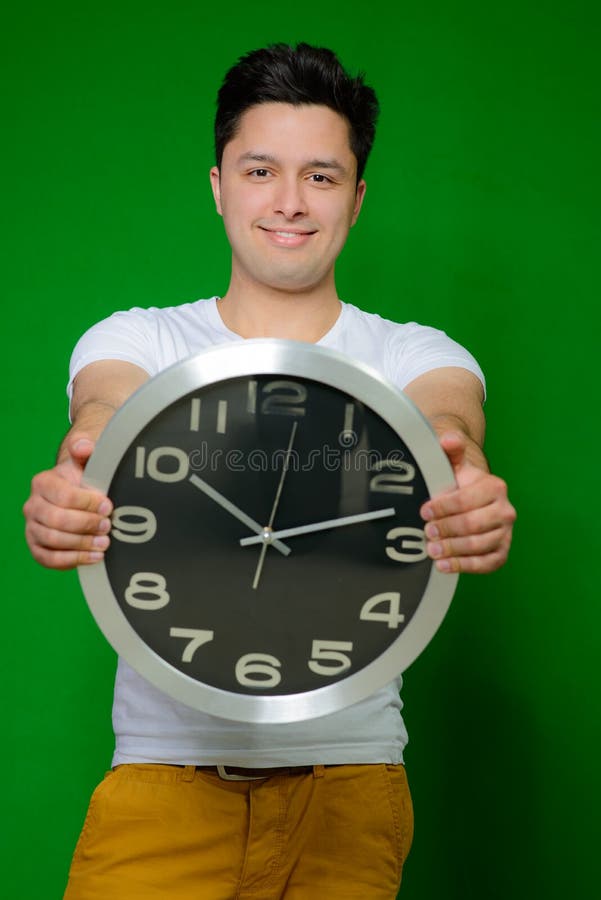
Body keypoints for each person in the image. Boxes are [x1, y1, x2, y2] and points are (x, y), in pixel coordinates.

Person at [23, 42, 515, 900]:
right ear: (218, 184)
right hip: (165, 781)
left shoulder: (412, 354)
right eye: (260, 170)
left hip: (351, 787)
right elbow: (106, 406)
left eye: (321, 177)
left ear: (356, 200)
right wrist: (83, 463)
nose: (289, 202)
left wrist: (462, 473)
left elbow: (448, 419)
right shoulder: (139, 339)